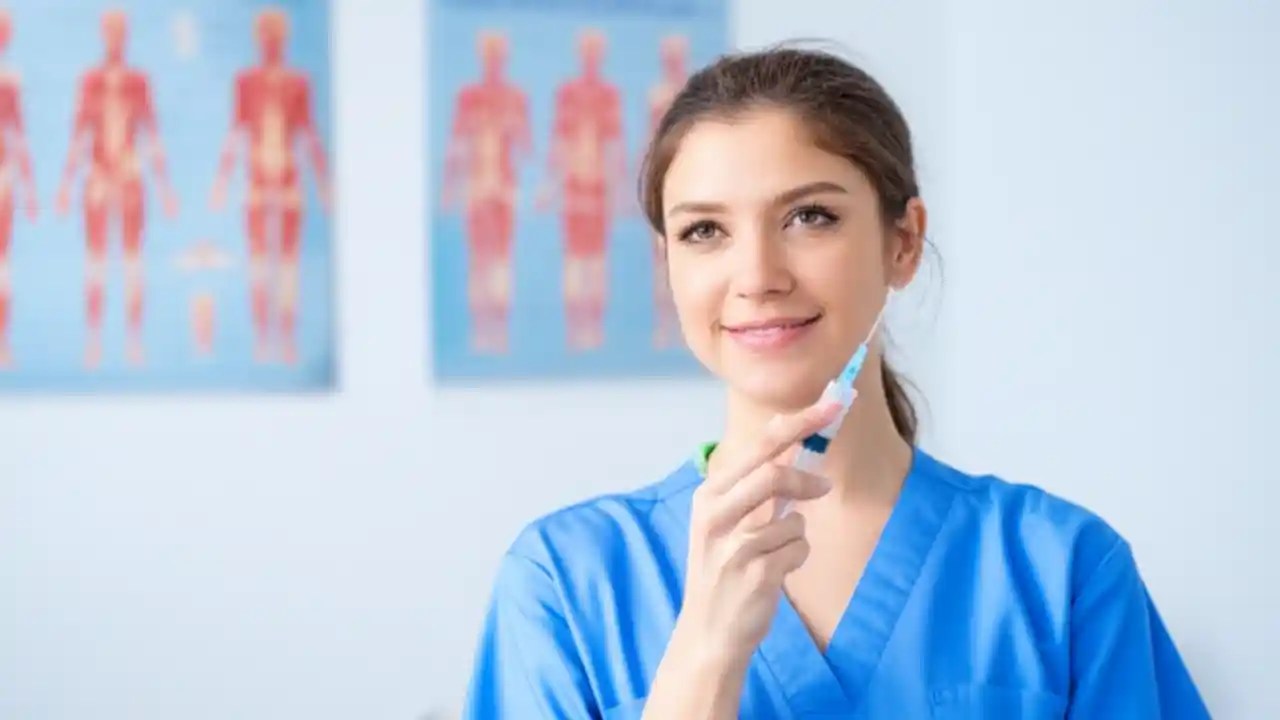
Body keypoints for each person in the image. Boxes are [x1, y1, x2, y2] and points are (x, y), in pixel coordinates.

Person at [463, 47, 1211, 719]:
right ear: (668, 265)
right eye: (704, 232)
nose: (757, 276)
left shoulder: (1063, 573)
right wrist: (704, 657)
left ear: (904, 242)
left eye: (809, 216)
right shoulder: (563, 585)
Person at [57, 10, 179, 369]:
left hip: (128, 176)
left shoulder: (138, 82)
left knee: (132, 263)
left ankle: (133, 340)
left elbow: (151, 134)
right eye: (109, 31)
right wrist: (66, 185)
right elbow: (79, 135)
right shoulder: (90, 81)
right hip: (97, 176)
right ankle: (94, 340)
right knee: (95, 263)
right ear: (102, 34)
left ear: (126, 36)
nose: (114, 37)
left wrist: (165, 188)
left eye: (120, 31)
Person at [210, 7, 330, 365]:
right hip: (258, 181)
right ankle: (263, 337)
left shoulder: (298, 83)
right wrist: (222, 182)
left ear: (285, 38)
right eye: (265, 33)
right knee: (260, 262)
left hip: (289, 180)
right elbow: (236, 133)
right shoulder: (246, 83)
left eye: (276, 33)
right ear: (257, 38)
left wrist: (324, 184)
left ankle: (288, 338)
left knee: (289, 265)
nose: (271, 40)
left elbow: (309, 135)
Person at [441, 31, 531, 355]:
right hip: (477, 188)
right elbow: (456, 145)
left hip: (503, 190)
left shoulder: (515, 97)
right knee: (480, 260)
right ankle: (481, 328)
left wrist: (513, 126)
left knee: (502, 260)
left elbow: (526, 147)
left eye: (498, 54)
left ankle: (501, 329)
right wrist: (449, 189)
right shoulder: (469, 97)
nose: (493, 60)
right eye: (488, 54)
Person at [538, 29, 625, 352]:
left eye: (595, 51)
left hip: (598, 188)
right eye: (586, 51)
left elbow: (615, 146)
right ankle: (576, 327)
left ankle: (594, 326)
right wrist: (549, 187)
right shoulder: (568, 94)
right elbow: (559, 142)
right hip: (574, 187)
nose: (591, 57)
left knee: (597, 261)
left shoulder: (608, 95)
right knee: (576, 260)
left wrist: (621, 191)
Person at [0, 9, 37, 369]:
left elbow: (17, 135)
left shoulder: (8, 81)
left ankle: (2, 342)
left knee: (2, 266)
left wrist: (28, 189)